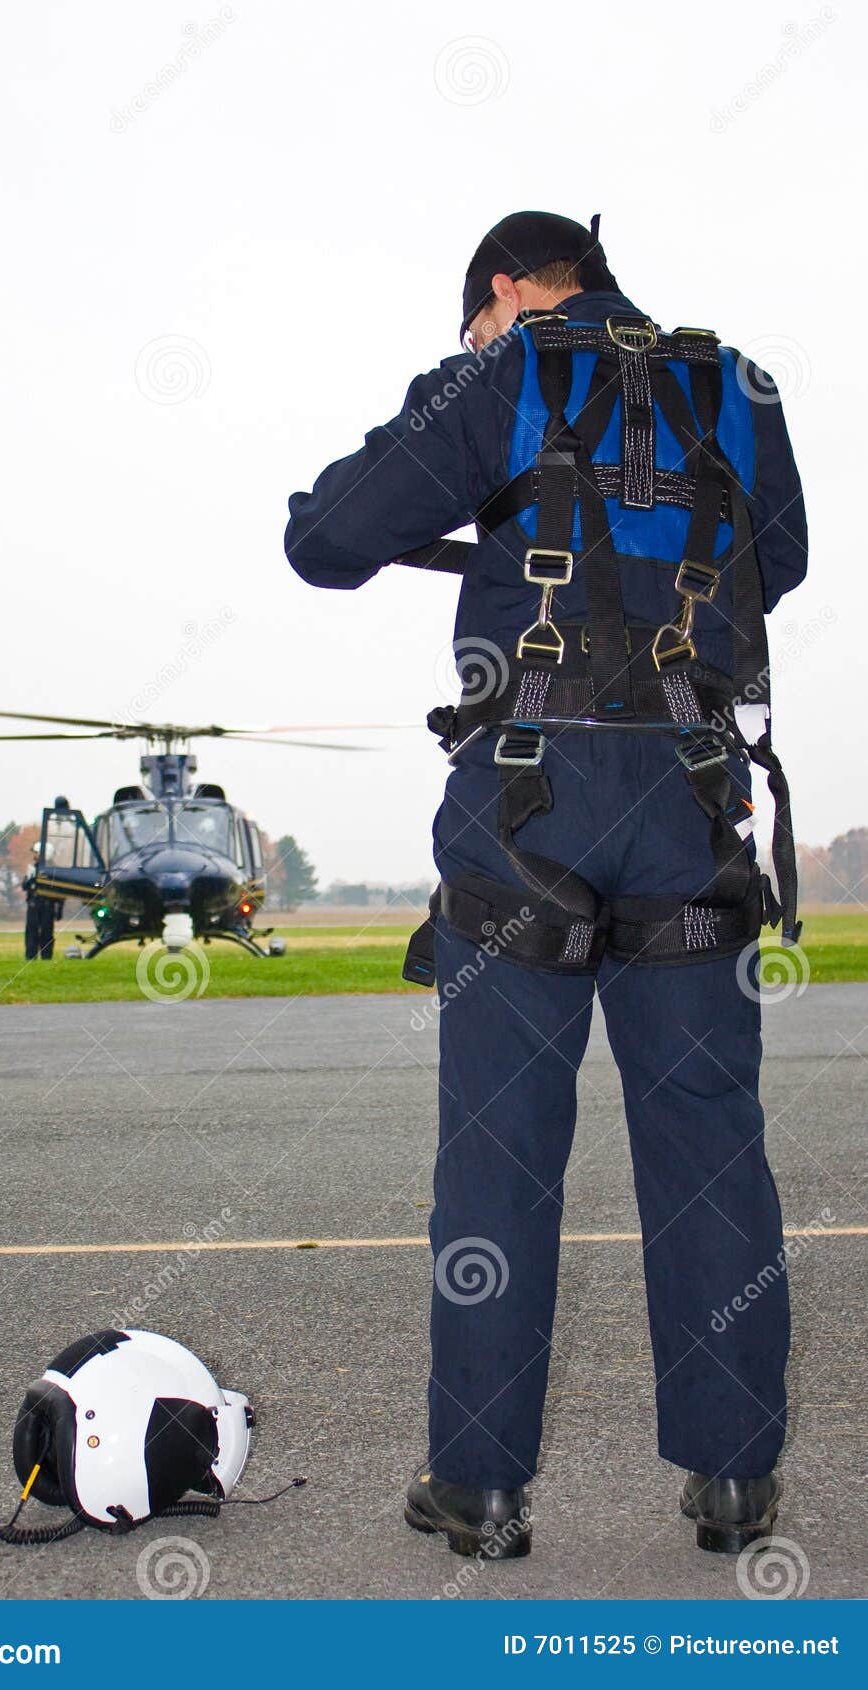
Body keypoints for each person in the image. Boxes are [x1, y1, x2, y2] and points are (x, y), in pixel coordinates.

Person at [283, 211, 808, 1560]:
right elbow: (779, 562)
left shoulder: (505, 372)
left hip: (528, 804)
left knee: (502, 1155)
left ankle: (483, 1487)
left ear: (508, 291)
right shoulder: (738, 386)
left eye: (475, 322)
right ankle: (735, 1477)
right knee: (708, 1151)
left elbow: (331, 539)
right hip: (694, 798)